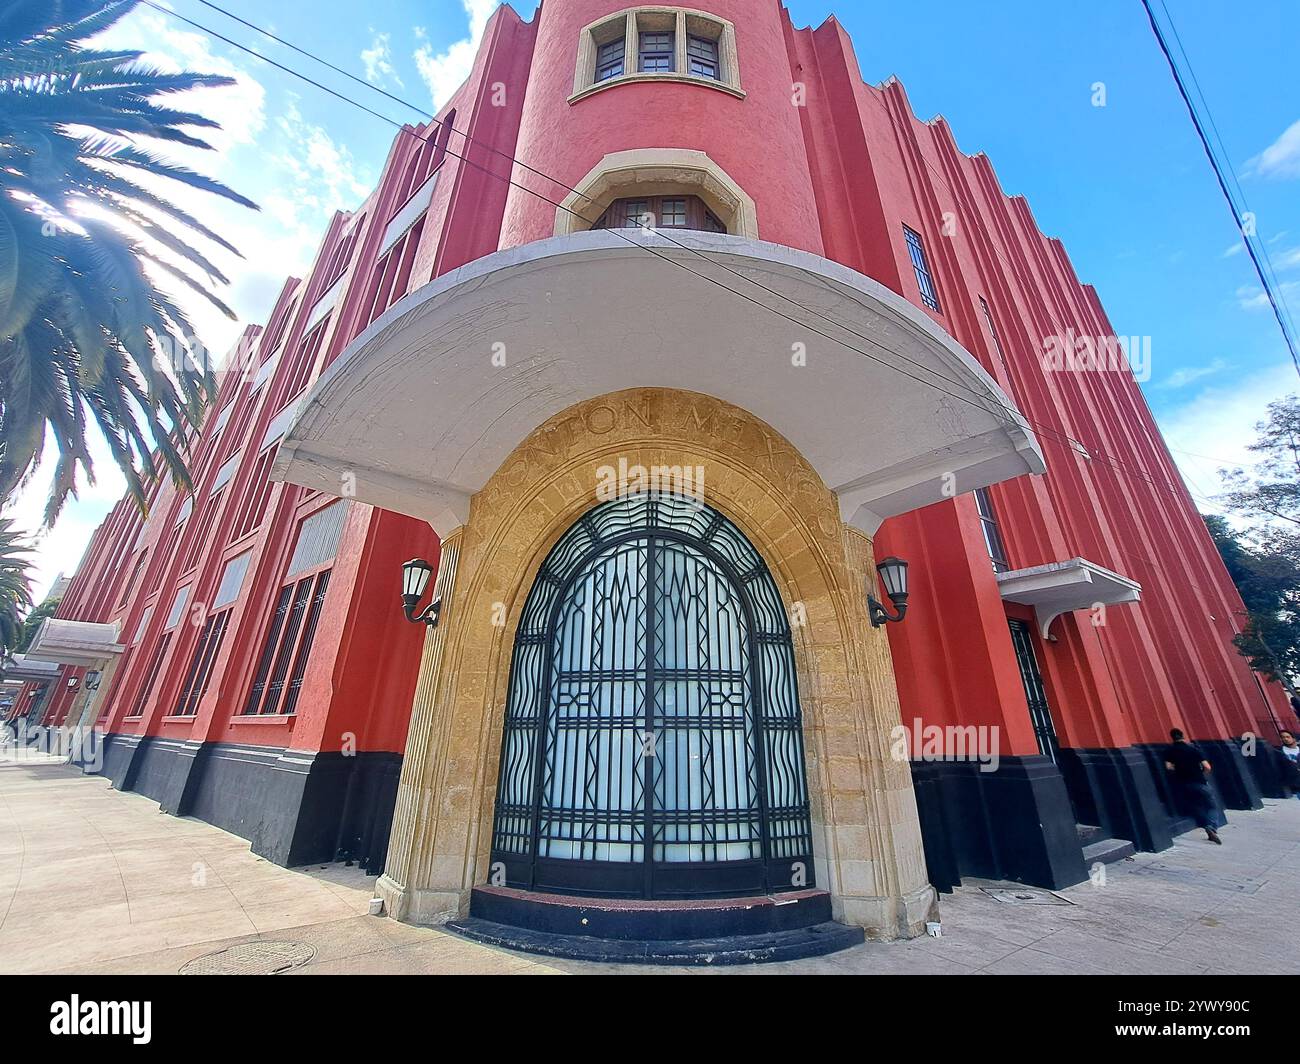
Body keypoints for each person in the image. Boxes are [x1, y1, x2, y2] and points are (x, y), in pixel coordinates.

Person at [1163, 728, 1221, 844]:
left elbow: (1168, 767)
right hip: (1200, 781)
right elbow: (1207, 767)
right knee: (1212, 806)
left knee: (1197, 805)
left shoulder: (1170, 751)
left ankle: (1207, 826)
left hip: (1184, 784)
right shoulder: (1194, 749)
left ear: (1172, 737)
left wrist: (1180, 770)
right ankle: (1212, 826)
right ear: (1183, 736)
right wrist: (1200, 773)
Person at [1277, 729, 1300, 798]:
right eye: (1283, 737)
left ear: (1294, 739)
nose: (1285, 739)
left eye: (1288, 737)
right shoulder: (1279, 751)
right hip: (1291, 781)